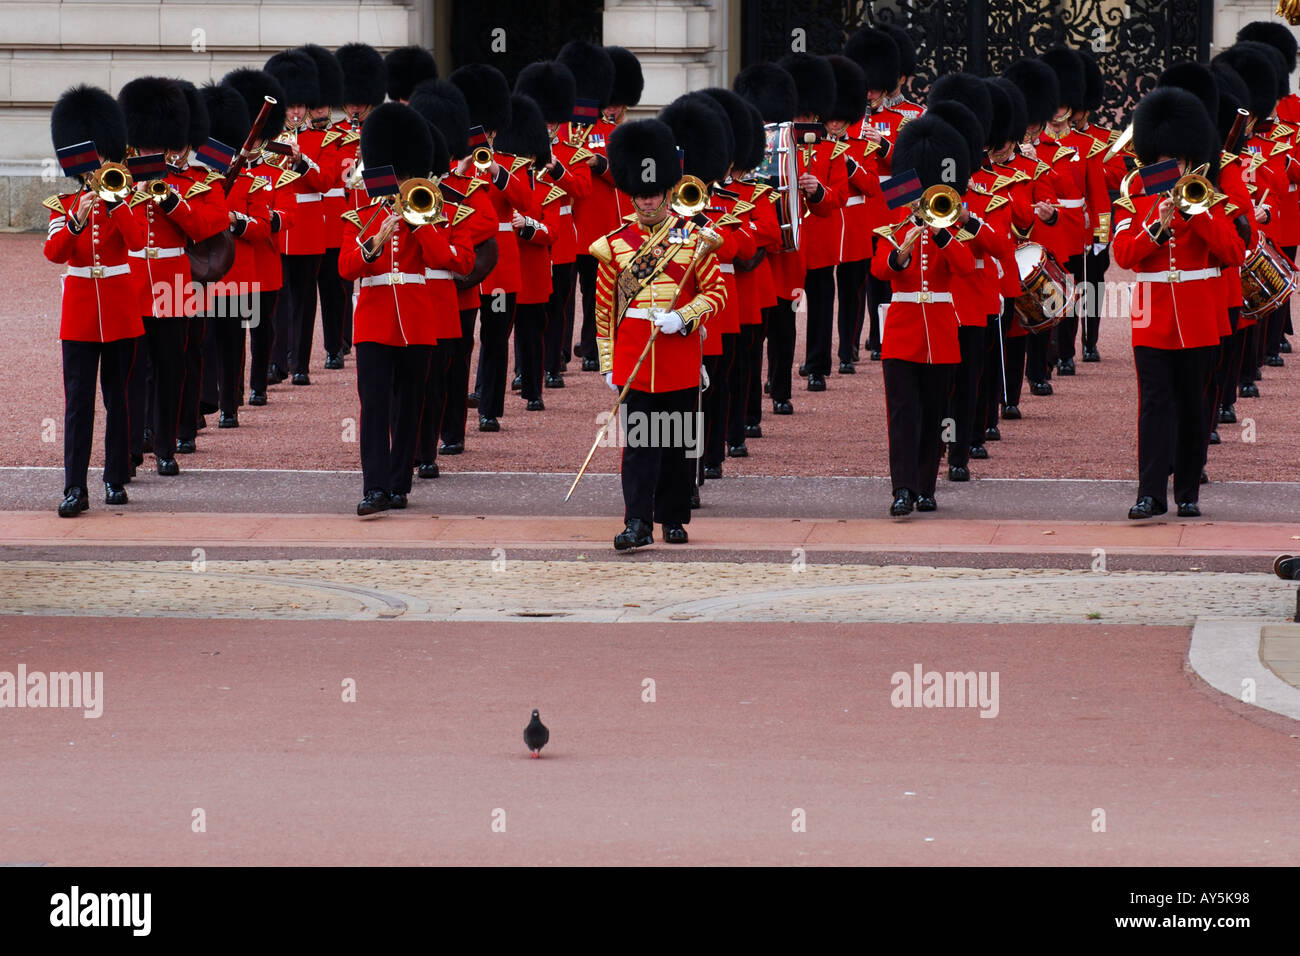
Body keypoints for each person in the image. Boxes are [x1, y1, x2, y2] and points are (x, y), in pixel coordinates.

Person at [591, 119, 727, 549]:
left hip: (678, 352)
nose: (648, 201)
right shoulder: (612, 246)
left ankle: (673, 517)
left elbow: (716, 293)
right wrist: (610, 364)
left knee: (677, 443)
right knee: (638, 446)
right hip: (635, 357)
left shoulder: (691, 242)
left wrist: (684, 317)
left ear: (668, 192)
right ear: (633, 195)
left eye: (654, 194)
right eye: (642, 195)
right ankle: (637, 522)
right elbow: (603, 311)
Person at [1111, 87, 1244, 519]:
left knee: (1194, 403)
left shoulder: (1212, 199)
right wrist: (1157, 224)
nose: (1171, 168)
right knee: (1153, 404)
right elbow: (1125, 255)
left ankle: (1188, 490)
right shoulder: (1136, 196)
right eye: (1162, 159)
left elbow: (1233, 252)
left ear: (1191, 159)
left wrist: (1198, 214)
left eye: (1178, 160)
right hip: (1152, 314)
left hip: (1200, 314)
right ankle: (1150, 493)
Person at [337, 103, 474, 516]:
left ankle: (398, 485)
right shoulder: (360, 213)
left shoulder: (431, 210)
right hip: (374, 321)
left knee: (410, 406)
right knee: (374, 408)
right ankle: (374, 487)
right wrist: (374, 238)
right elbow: (346, 266)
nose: (396, 181)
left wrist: (420, 224)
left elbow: (450, 261)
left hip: (417, 321)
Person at [45, 85, 148, 516]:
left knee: (119, 398)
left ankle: (115, 477)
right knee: (78, 403)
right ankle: (74, 487)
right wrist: (78, 217)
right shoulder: (64, 204)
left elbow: (139, 240)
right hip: (81, 315)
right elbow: (55, 253)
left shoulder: (126, 197)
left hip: (121, 310)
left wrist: (115, 199)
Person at [119, 77, 228, 476]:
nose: (149, 151)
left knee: (170, 367)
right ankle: (130, 446)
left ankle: (165, 446)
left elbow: (205, 228)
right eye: (144, 144)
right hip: (130, 283)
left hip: (171, 284)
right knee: (131, 369)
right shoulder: (122, 182)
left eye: (156, 145)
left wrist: (168, 198)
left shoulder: (197, 183)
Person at [870, 115, 974, 516]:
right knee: (902, 413)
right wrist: (903, 249)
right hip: (901, 329)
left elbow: (965, 267)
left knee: (934, 413)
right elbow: (881, 270)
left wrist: (943, 232)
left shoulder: (948, 228)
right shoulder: (893, 227)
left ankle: (926, 487)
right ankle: (902, 488)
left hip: (942, 331)